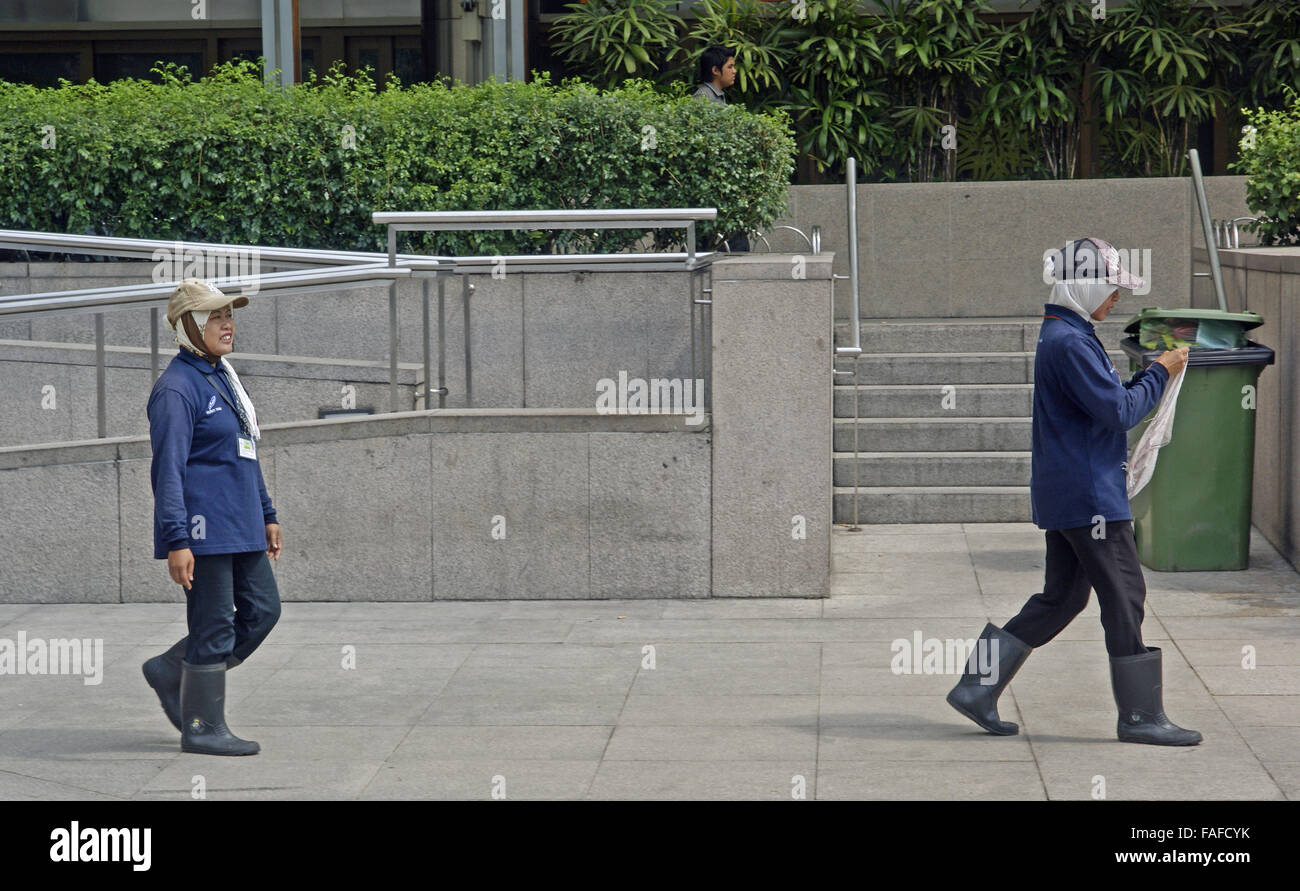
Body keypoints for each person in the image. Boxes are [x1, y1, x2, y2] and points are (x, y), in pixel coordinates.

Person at [947, 237, 1201, 746]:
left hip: (1069, 491)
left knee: (1061, 598)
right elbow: (1119, 412)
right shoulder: (1071, 342)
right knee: (1125, 594)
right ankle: (1140, 718)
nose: (1116, 300)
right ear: (1086, 286)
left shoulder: (1063, 332)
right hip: (1090, 498)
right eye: (1111, 290)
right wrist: (1159, 371)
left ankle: (977, 688)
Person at [141, 278, 282, 756]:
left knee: (264, 612)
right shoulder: (176, 389)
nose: (227, 324)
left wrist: (267, 512)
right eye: (215, 316)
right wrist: (177, 539)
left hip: (241, 524)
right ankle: (201, 725)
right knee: (215, 627)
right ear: (188, 327)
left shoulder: (221, 376)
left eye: (229, 315)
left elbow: (245, 451)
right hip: (206, 531)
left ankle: (171, 669)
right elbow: (168, 470)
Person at [692, 44, 750, 253]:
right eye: (730, 66)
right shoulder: (704, 99)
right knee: (732, 246)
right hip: (714, 189)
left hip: (721, 189)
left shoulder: (717, 97)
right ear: (715, 70)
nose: (734, 71)